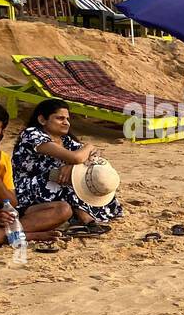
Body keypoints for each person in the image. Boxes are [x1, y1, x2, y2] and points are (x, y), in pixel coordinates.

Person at [10, 99, 123, 232]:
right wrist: (88, 147)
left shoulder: (65, 140)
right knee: (63, 183)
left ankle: (78, 216)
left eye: (67, 119)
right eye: (60, 118)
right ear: (42, 120)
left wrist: (71, 166)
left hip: (56, 179)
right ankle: (85, 219)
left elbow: (94, 155)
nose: (66, 123)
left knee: (94, 181)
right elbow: (77, 157)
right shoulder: (32, 134)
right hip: (26, 187)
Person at [0, 100, 71, 249]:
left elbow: (11, 203)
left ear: (1, 134)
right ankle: (24, 235)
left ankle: (4, 234)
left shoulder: (2, 158)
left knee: (63, 209)